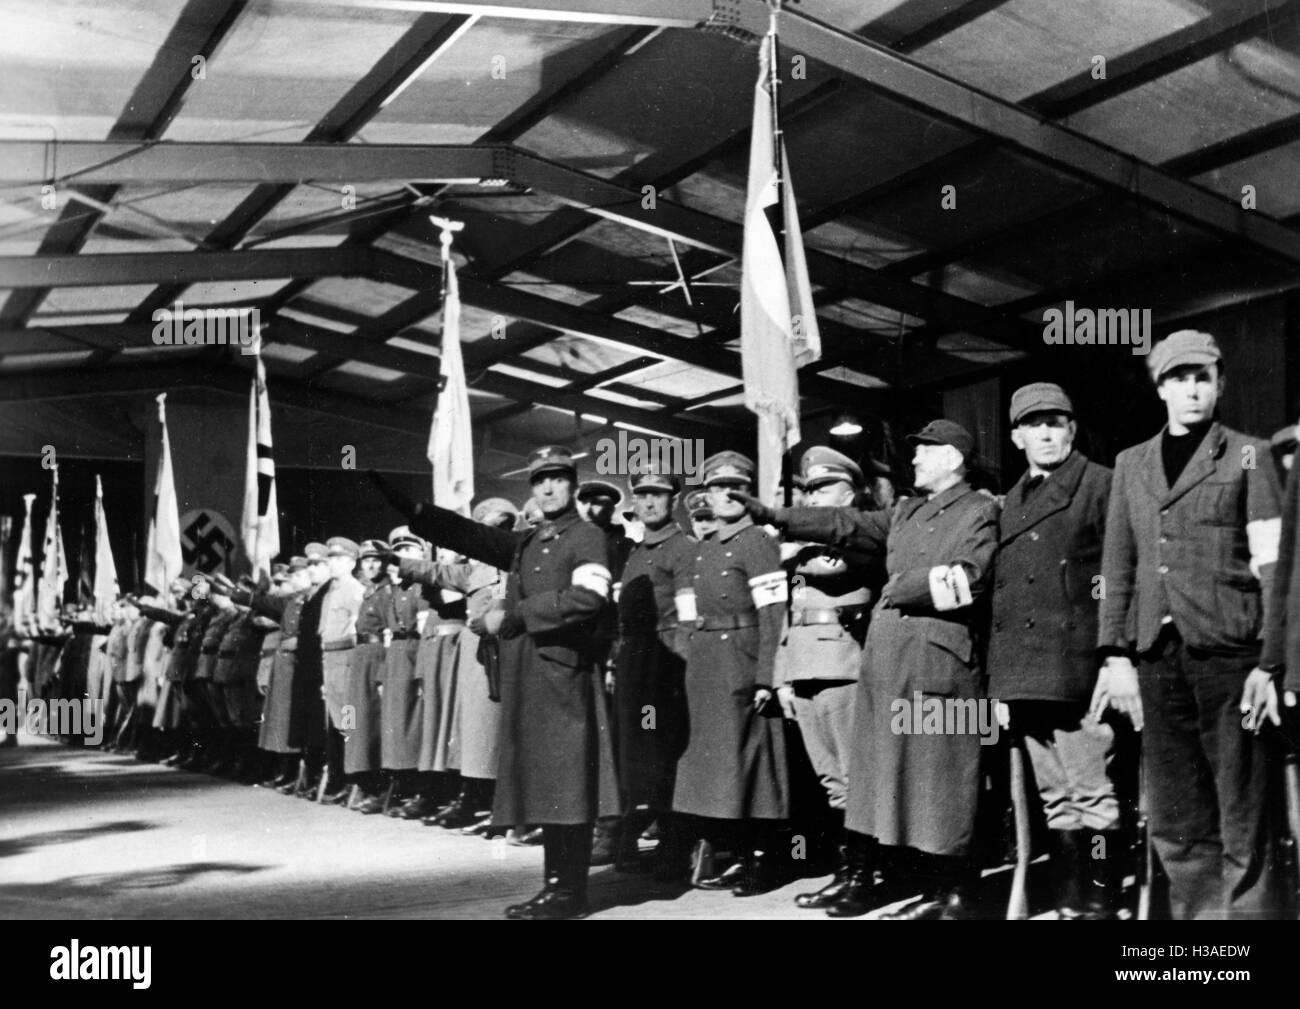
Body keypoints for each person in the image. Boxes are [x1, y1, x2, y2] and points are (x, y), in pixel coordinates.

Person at [736, 419, 999, 919]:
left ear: (954, 459)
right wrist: (774, 514)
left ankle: (954, 895)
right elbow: (845, 525)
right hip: (891, 663)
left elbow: (970, 579)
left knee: (942, 779)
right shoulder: (905, 511)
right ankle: (919, 886)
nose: (915, 459)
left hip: (943, 664)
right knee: (894, 777)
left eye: (925, 450)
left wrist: (900, 587)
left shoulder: (978, 509)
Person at [373, 446, 619, 918]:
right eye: (539, 480)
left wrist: (514, 614)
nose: (547, 488)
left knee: (567, 785)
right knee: (548, 783)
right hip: (531, 675)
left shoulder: (585, 536)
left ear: (572, 482)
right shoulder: (532, 539)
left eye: (557, 478)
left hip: (564, 675)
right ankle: (557, 886)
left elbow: (590, 598)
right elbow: (474, 538)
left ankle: (568, 892)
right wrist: (414, 511)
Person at [1094, 330, 1284, 919]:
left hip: (1231, 655)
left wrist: (1272, 664)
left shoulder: (1249, 453)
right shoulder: (1131, 463)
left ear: (1220, 384)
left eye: (1202, 377)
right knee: (1176, 814)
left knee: (1241, 811)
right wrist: (1116, 655)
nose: (1192, 390)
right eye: (1179, 379)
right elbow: (1118, 563)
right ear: (1161, 389)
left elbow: (1274, 566)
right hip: (1156, 655)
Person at [988, 382, 1121, 919]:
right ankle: (1072, 894)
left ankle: (1101, 897)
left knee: (1092, 791)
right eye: (1034, 424)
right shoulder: (1009, 500)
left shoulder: (1099, 484)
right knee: (1055, 795)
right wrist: (999, 685)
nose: (1046, 432)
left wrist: (1116, 656)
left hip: (1077, 668)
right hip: (1024, 673)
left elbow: (1118, 577)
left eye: (1056, 422)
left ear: (1071, 428)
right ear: (1018, 436)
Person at [675, 451, 792, 898]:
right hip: (705, 668)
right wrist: (690, 655)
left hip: (742, 663)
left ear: (747, 491)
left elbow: (774, 612)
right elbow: (687, 613)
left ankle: (766, 860)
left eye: (732, 486)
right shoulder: (704, 548)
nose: (723, 496)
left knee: (753, 765)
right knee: (721, 769)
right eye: (714, 487)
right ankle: (737, 854)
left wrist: (767, 676)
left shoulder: (757, 541)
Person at [777, 447, 880, 910]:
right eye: (810, 489)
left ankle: (862, 877)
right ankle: (847, 873)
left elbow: (832, 568)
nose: (814, 496)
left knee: (854, 779)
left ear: (851, 491)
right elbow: (785, 608)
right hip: (801, 663)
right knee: (831, 783)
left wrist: (792, 549)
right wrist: (781, 675)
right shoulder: (803, 538)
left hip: (843, 663)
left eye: (824, 488)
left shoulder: (859, 533)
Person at [611, 468, 695, 876]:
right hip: (633, 661)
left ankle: (673, 846)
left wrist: (680, 669)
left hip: (665, 664)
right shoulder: (636, 551)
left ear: (673, 501)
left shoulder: (684, 549)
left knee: (663, 751)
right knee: (633, 753)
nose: (648, 503)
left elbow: (689, 617)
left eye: (657, 495)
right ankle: (634, 837)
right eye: (641, 495)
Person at [381, 528, 434, 817]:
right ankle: (398, 785)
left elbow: (425, 630)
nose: (402, 556)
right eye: (398, 551)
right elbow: (387, 633)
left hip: (414, 655)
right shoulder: (395, 590)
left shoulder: (421, 587)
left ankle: (417, 789)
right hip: (395, 660)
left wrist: (422, 670)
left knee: (412, 726)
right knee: (394, 726)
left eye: (409, 551)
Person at [347, 540, 390, 809]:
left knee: (374, 726)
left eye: (376, 560)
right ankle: (361, 780)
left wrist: (383, 673)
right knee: (354, 722)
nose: (371, 565)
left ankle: (379, 787)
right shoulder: (367, 593)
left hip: (376, 659)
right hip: (360, 658)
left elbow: (389, 633)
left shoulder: (387, 593)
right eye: (366, 560)